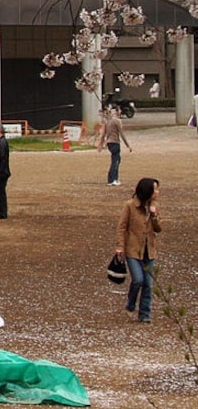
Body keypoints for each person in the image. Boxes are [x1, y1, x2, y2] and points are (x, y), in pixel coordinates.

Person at [115, 177, 161, 323]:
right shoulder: (130, 206)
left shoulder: (154, 206)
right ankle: (130, 304)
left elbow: (159, 229)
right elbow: (121, 227)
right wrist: (120, 247)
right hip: (133, 250)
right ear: (148, 191)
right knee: (138, 280)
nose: (157, 192)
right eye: (155, 189)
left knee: (148, 284)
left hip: (149, 250)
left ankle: (145, 314)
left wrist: (154, 216)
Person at [97, 107, 133, 186]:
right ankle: (112, 179)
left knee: (116, 160)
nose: (120, 111)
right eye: (119, 110)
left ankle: (114, 179)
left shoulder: (108, 122)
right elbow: (122, 134)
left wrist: (100, 144)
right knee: (115, 161)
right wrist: (128, 145)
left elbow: (103, 134)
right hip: (115, 142)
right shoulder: (117, 121)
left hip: (109, 143)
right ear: (116, 112)